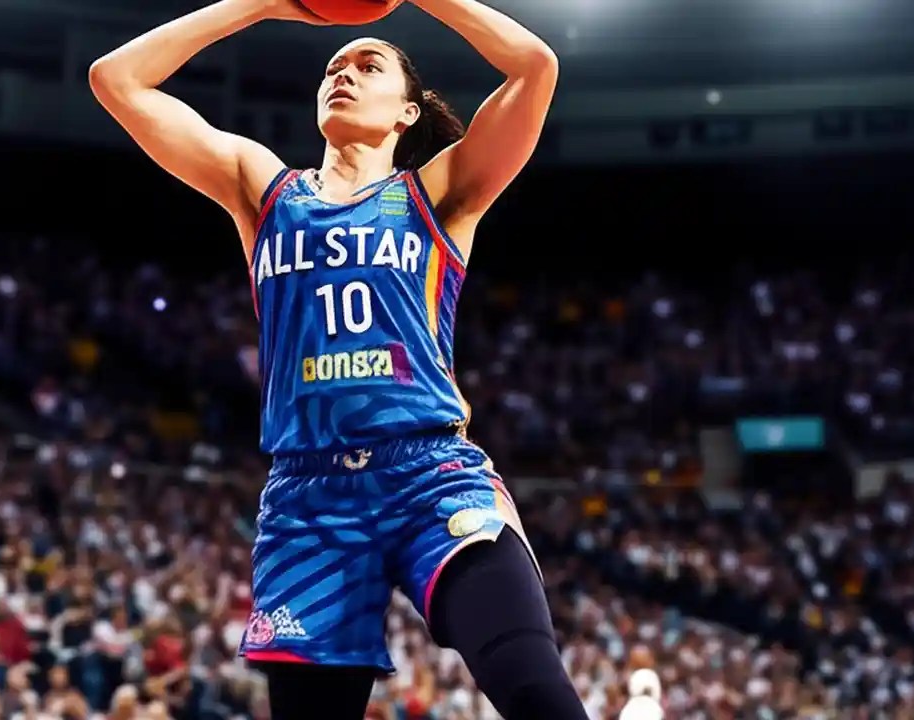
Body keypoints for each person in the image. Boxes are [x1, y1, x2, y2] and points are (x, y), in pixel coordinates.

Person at [90, 0, 581, 718]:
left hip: (428, 476)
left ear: (407, 113)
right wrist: (258, 4)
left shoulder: (436, 193)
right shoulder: (264, 189)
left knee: (533, 686)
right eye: (332, 67)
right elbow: (117, 79)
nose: (342, 74)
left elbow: (536, 67)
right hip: (308, 499)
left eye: (367, 65)